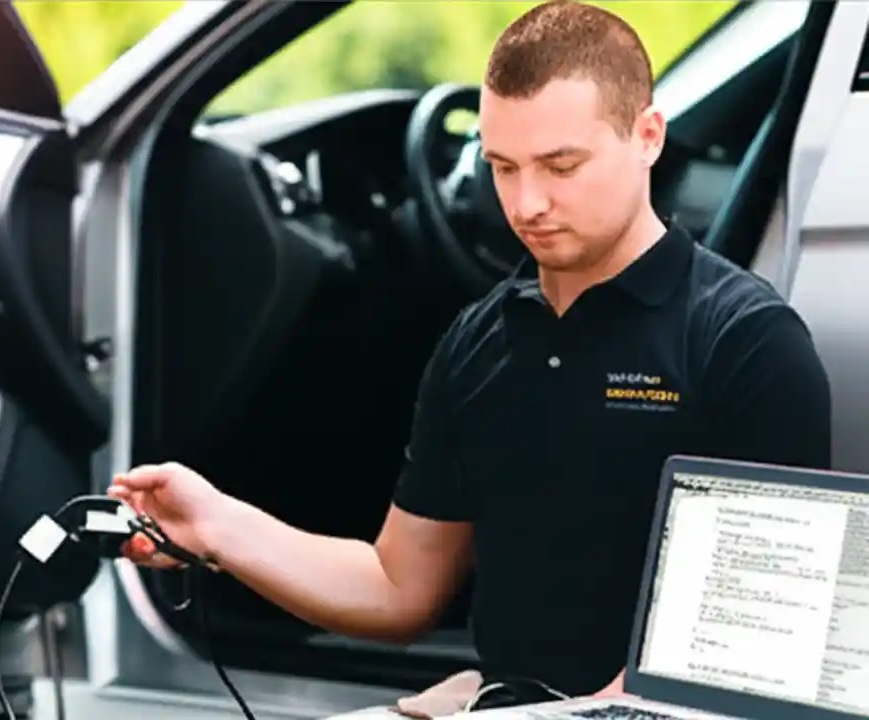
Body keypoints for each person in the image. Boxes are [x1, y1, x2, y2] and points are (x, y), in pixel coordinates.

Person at [108, 0, 832, 715]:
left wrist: (538, 712)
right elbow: (398, 589)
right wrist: (218, 527)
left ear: (647, 136)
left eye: (560, 166)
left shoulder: (747, 343)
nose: (527, 204)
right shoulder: (478, 342)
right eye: (503, 166)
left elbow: (749, 656)